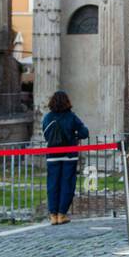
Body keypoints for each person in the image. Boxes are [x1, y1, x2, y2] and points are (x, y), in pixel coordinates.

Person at [41, 90, 89, 225]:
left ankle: (53, 215)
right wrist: (74, 135)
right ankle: (62, 214)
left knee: (52, 184)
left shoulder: (48, 117)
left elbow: (45, 134)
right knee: (67, 184)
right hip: (69, 155)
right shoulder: (71, 117)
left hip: (52, 154)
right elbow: (84, 132)